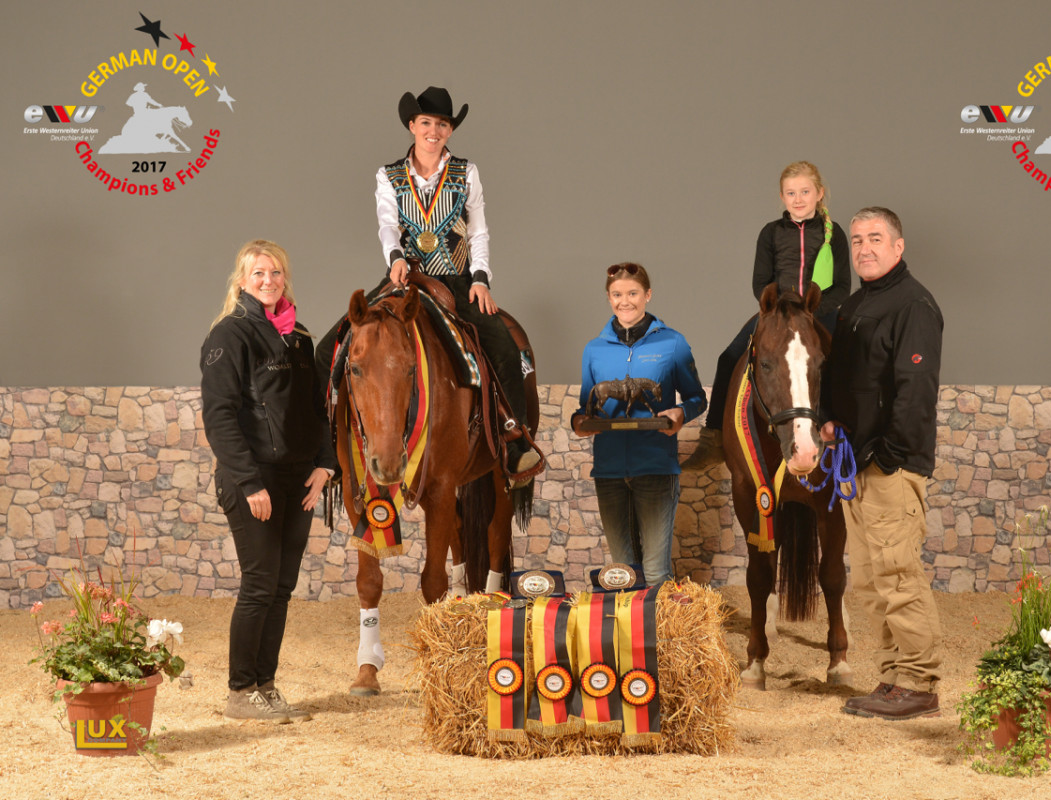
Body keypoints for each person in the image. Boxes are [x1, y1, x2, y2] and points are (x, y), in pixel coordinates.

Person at [315, 85, 538, 484]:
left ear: (449, 130)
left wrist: (481, 278)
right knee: (328, 348)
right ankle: (325, 448)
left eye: (442, 124)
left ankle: (513, 436)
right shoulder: (389, 175)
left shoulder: (466, 172)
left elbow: (480, 231)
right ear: (412, 125)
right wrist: (396, 258)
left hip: (455, 278)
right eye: (426, 123)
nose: (433, 131)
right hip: (405, 274)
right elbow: (387, 224)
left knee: (502, 344)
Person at [201, 240, 337, 723]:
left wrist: (325, 465)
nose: (268, 280)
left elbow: (318, 410)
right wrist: (249, 482)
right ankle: (240, 691)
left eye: (276, 272)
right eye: (258, 273)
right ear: (242, 280)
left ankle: (266, 686)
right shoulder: (229, 335)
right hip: (254, 480)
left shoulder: (298, 337)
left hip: (298, 480)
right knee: (259, 585)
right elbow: (219, 418)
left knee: (281, 587)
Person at [820, 207, 945, 721]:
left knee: (898, 574)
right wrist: (828, 420)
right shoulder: (853, 306)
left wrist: (891, 455)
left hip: (889, 466)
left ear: (898, 246)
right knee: (872, 581)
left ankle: (920, 682)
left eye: (875, 238)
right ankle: (894, 677)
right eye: (856, 240)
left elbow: (916, 392)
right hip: (854, 466)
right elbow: (839, 379)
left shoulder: (914, 304)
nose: (865, 248)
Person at [682, 161, 850, 470]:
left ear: (819, 194)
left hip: (816, 312)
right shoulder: (771, 233)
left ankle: (844, 432)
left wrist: (812, 311)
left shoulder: (834, 234)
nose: (798, 199)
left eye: (804, 191)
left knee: (844, 362)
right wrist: (778, 309)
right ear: (782, 197)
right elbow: (760, 282)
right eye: (790, 193)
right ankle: (713, 439)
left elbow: (842, 287)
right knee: (728, 356)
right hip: (777, 313)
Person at [570, 263, 707, 585]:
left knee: (657, 572)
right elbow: (584, 406)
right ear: (608, 298)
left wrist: (680, 414)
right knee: (622, 572)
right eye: (617, 295)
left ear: (647, 295)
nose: (625, 301)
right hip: (609, 471)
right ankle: (627, 636)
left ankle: (658, 635)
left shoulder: (673, 343)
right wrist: (579, 421)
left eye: (632, 293)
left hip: (656, 467)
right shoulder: (594, 349)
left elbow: (696, 397)